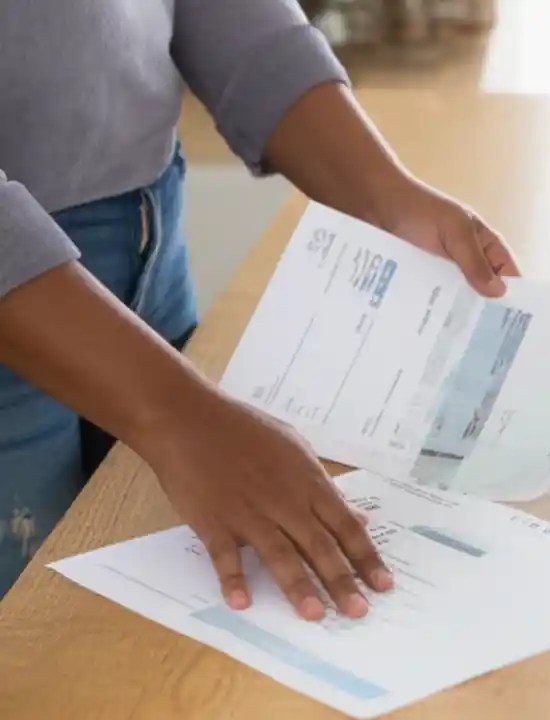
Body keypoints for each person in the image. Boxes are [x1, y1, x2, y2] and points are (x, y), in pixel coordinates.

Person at [0, 2, 518, 619]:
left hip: (148, 236)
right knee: (35, 640)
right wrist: (181, 415)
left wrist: (385, 195)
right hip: (19, 300)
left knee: (148, 618)